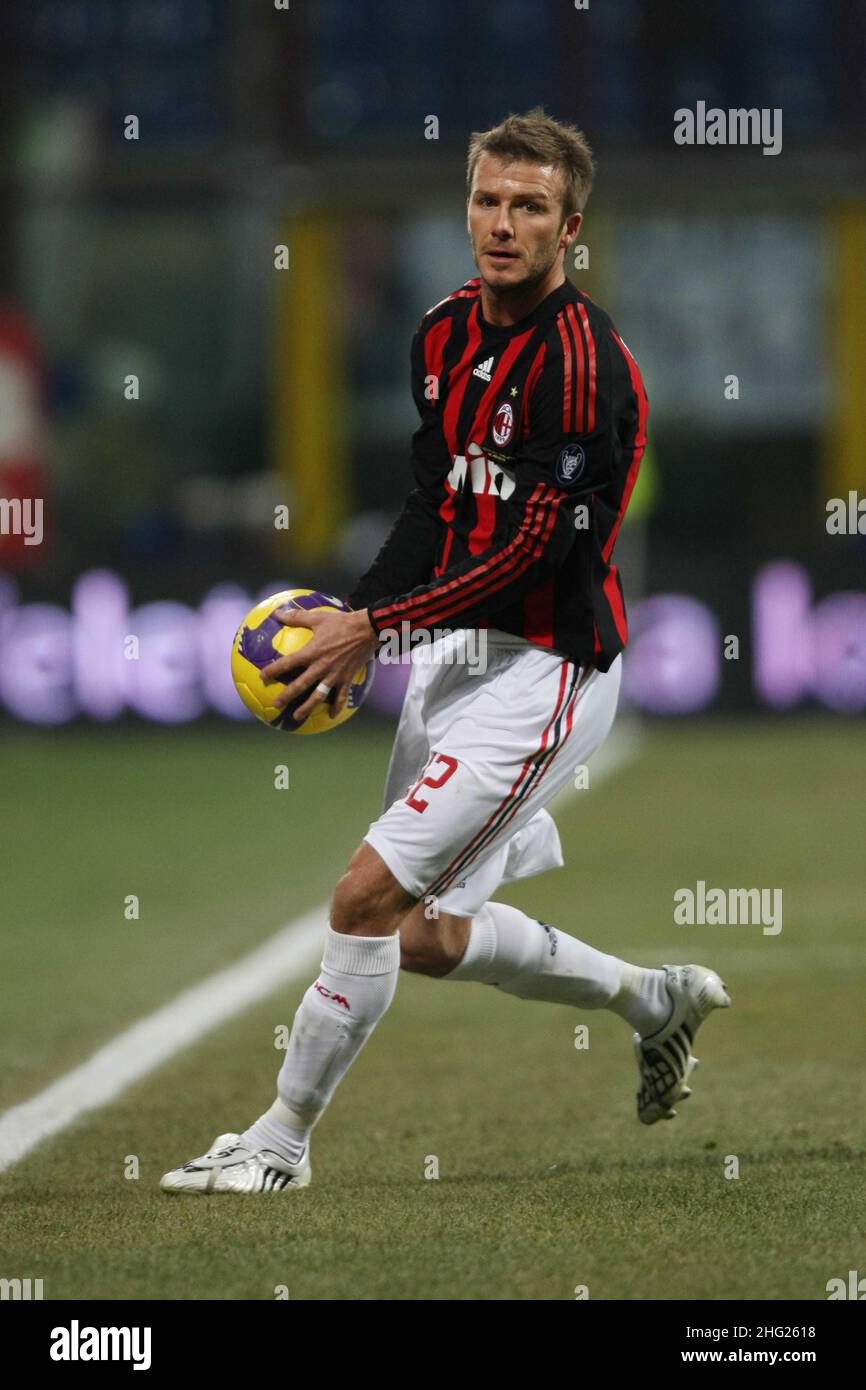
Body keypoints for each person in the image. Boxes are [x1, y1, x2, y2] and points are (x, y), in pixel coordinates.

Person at [161, 108, 729, 1196]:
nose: (501, 224)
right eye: (486, 200)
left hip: (547, 669)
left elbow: (526, 553)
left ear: (571, 227)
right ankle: (651, 1001)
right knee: (419, 936)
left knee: (361, 897)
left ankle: (277, 1143)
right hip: (451, 655)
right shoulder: (439, 333)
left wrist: (373, 625)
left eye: (528, 207)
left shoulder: (582, 366)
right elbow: (434, 506)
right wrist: (355, 624)